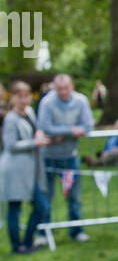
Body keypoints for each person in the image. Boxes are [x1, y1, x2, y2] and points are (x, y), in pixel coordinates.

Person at [36, 73, 93, 242]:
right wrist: (70, 131)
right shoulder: (47, 103)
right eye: (59, 88)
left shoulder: (81, 101)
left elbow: (88, 125)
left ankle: (76, 230)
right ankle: (43, 232)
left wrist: (62, 132)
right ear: (54, 88)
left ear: (72, 86)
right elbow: (44, 126)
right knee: (46, 195)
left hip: (70, 156)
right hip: (48, 156)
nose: (63, 92)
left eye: (66, 88)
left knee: (74, 196)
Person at [0, 78, 51, 254]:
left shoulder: (29, 112)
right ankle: (17, 246)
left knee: (41, 206)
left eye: (26, 95)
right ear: (12, 97)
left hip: (30, 170)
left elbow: (35, 130)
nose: (24, 100)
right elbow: (11, 145)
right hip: (14, 170)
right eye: (19, 96)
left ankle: (27, 241)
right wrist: (34, 143)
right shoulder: (10, 119)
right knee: (15, 207)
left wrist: (39, 135)